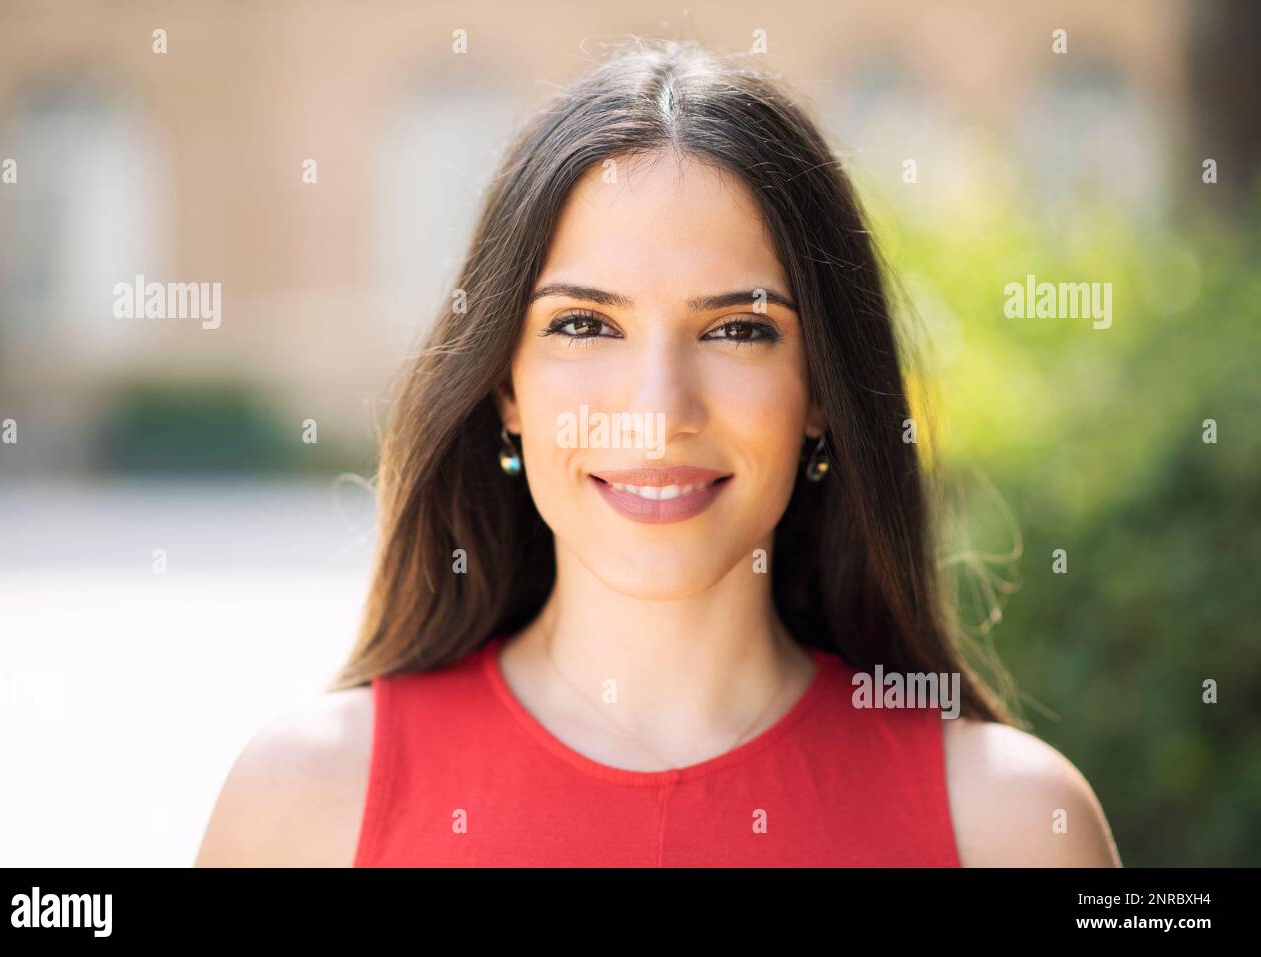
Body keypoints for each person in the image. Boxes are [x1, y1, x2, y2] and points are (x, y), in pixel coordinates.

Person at [196, 40, 1120, 867]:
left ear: (823, 396)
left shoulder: (1012, 826)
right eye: (586, 324)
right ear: (504, 387)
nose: (657, 411)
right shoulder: (304, 808)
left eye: (737, 330)